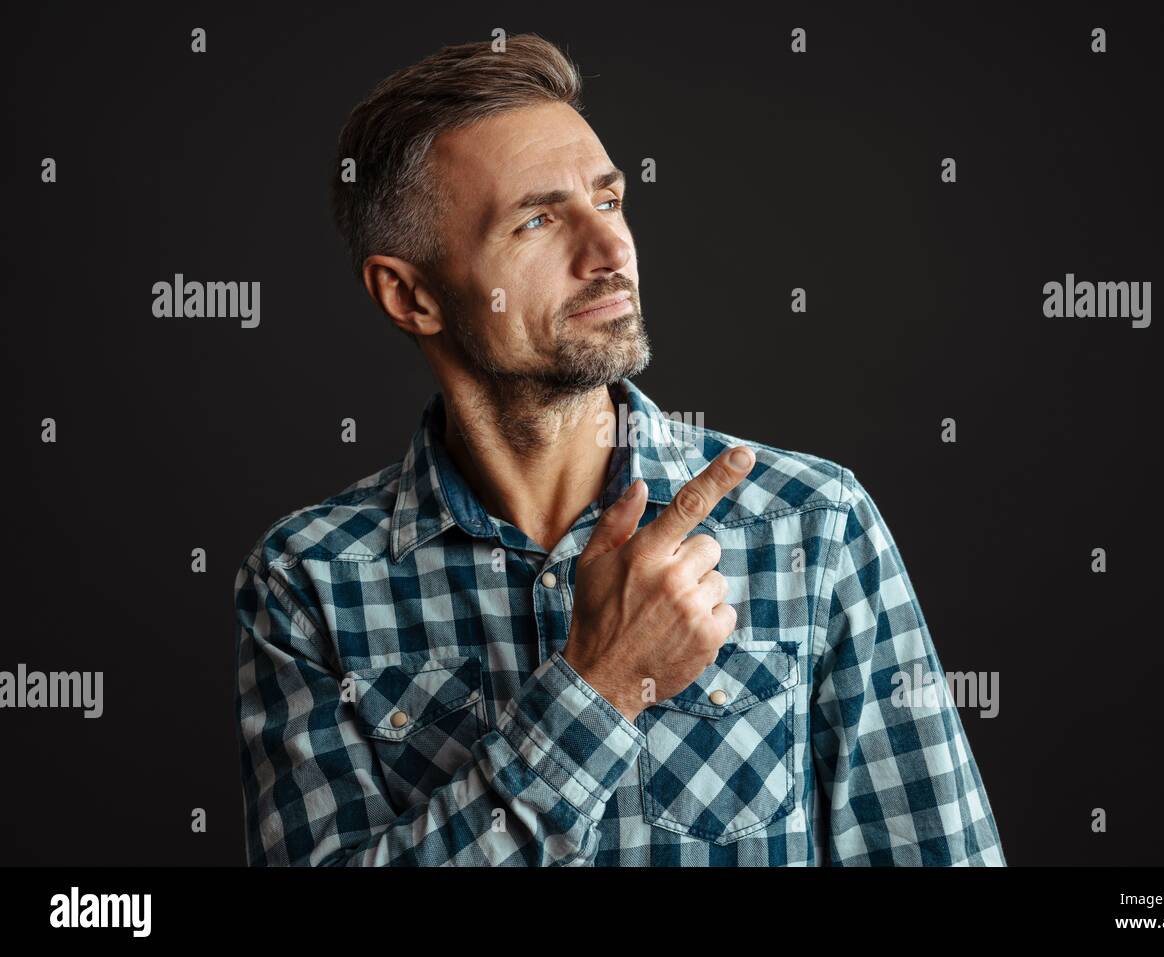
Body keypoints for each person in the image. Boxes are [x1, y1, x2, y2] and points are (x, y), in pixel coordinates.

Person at [233, 32, 1005, 866]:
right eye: (536, 220)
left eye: (607, 200)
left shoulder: (813, 526)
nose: (610, 254)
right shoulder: (308, 581)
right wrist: (598, 691)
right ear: (411, 294)